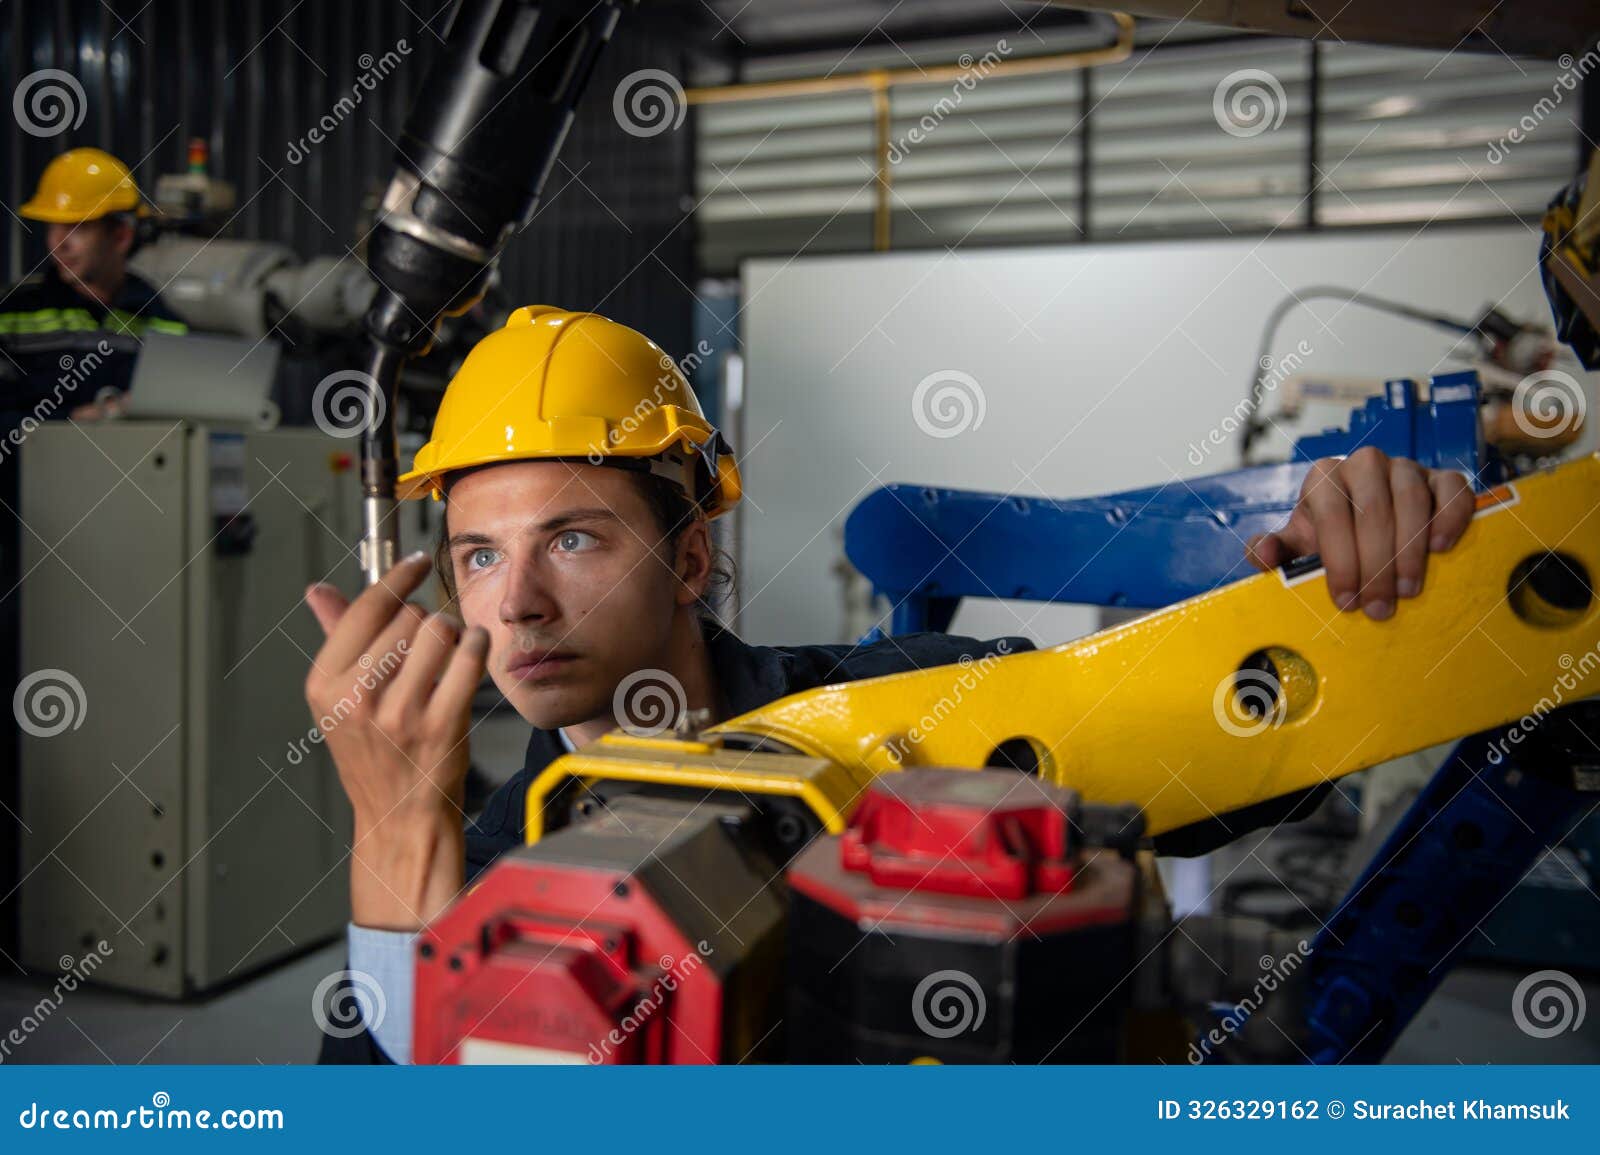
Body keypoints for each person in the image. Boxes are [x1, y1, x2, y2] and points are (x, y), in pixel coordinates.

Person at [306, 305, 1476, 1063]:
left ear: (692, 559)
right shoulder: (487, 842)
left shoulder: (914, 714)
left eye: (573, 540)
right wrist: (392, 839)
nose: (514, 604)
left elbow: (1199, 751)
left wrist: (1348, 589)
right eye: (477, 555)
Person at [0, 147, 188, 421]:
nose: (60, 244)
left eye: (78, 228)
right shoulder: (10, 314)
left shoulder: (163, 324)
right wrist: (75, 421)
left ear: (121, 236)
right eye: (54, 227)